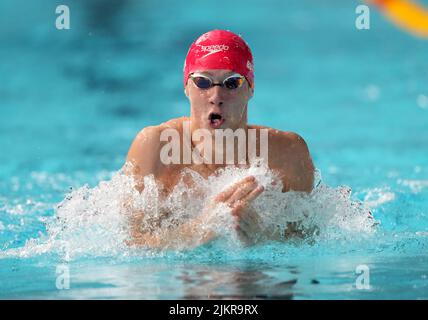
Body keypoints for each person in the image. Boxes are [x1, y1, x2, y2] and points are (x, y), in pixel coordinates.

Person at [124, 29, 315, 248]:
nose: (216, 97)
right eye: (203, 82)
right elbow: (132, 244)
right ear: (186, 87)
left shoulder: (287, 154)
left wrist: (263, 235)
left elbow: (309, 240)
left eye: (232, 83)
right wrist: (203, 227)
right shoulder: (154, 147)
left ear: (250, 89)